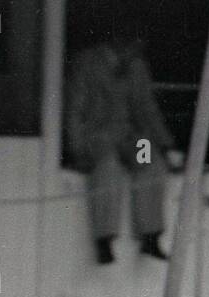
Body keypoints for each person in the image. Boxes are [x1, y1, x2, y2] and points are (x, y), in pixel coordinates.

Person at [65, 31, 183, 266]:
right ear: (118, 42)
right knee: (109, 167)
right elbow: (75, 108)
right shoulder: (88, 62)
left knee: (152, 162)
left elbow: (146, 108)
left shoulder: (136, 66)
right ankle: (104, 240)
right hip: (95, 135)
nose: (136, 54)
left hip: (129, 136)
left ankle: (151, 236)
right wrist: (75, 146)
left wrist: (166, 144)